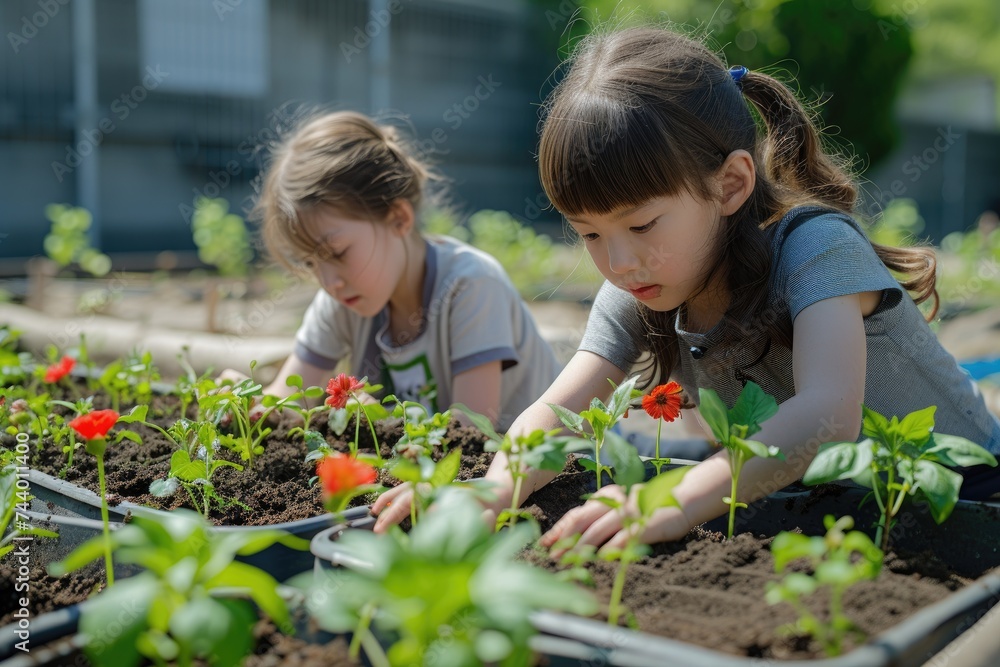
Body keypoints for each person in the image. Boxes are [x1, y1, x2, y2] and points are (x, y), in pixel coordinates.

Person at [371, 26, 1000, 548]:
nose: (618, 261)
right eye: (589, 234)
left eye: (642, 224)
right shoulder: (642, 280)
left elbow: (827, 416)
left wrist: (666, 497)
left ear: (730, 184)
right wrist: (490, 488)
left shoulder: (815, 247)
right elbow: (556, 414)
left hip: (967, 494)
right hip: (831, 506)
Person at [223, 110, 559, 431]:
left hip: (580, 469)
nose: (329, 282)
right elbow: (287, 402)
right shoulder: (342, 300)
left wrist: (377, 420)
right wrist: (246, 402)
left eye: (337, 253)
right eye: (311, 263)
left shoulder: (471, 287)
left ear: (399, 218)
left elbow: (471, 434)